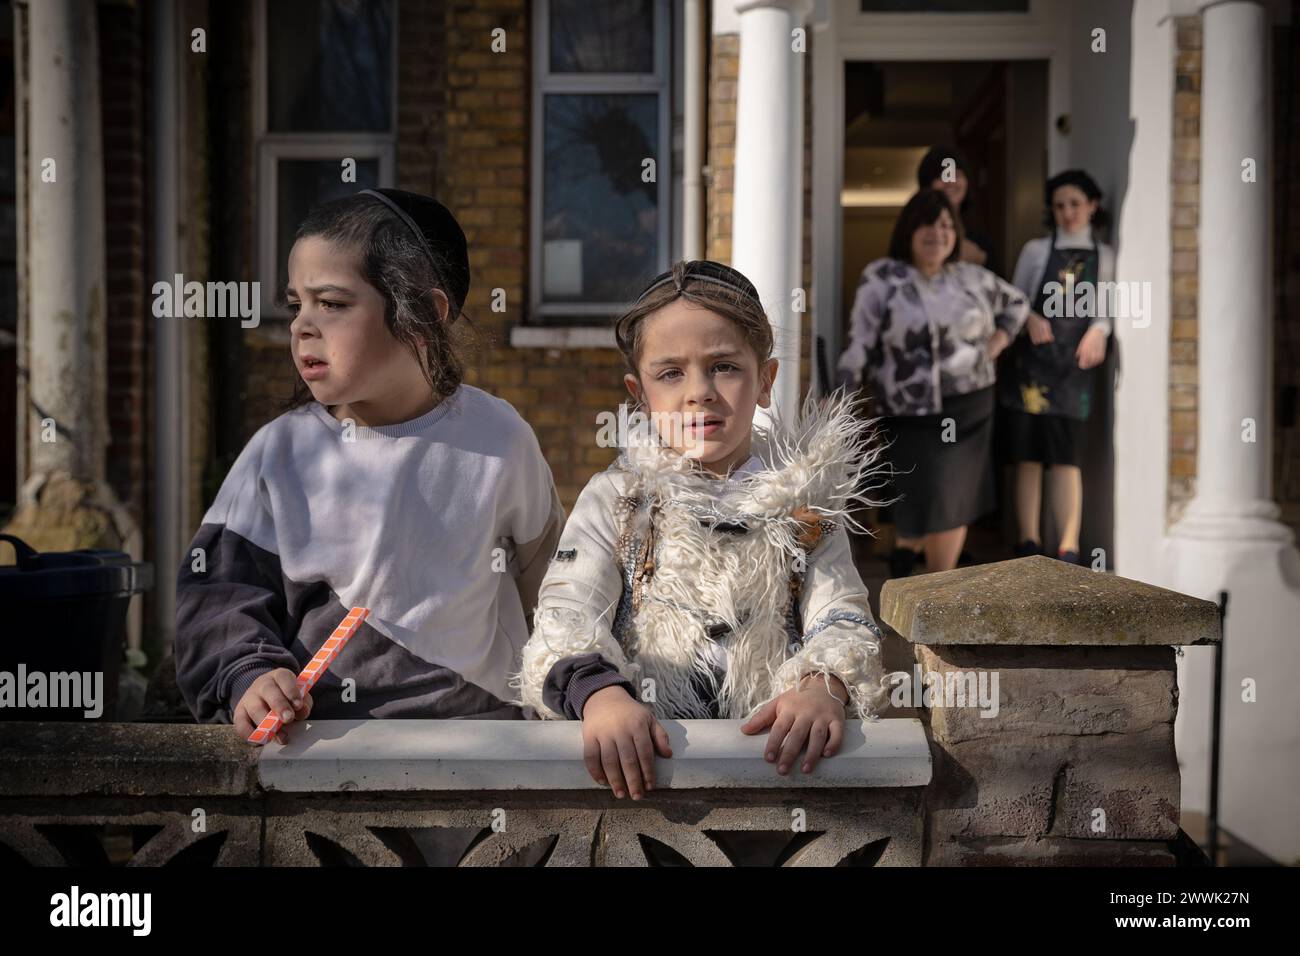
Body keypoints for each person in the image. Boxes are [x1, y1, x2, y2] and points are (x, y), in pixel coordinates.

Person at [175, 188, 565, 742]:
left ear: (425, 315)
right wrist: (249, 674)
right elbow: (216, 599)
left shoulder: (500, 440)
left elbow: (557, 597)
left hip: (484, 757)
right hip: (319, 760)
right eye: (295, 305)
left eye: (332, 303)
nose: (302, 327)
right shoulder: (280, 453)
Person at [514, 260, 894, 799]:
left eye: (724, 367)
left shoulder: (806, 503)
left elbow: (842, 616)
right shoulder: (616, 501)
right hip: (645, 771)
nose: (700, 392)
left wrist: (822, 686)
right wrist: (601, 697)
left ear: (765, 380)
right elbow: (565, 615)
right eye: (671, 373)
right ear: (639, 394)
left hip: (776, 769)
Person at [838, 188, 1029, 578]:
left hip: (969, 403)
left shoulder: (970, 278)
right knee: (914, 496)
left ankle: (939, 585)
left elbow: (1017, 304)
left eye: (946, 226)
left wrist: (999, 341)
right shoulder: (882, 277)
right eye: (927, 223)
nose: (937, 233)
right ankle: (907, 569)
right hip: (906, 407)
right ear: (909, 229)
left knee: (954, 497)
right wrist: (842, 391)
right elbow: (860, 339)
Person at [1001, 169, 1114, 564]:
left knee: (1067, 455)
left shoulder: (1106, 254)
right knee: (1029, 454)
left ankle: (1069, 546)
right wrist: (1029, 317)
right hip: (1033, 363)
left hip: (1074, 367)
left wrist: (1100, 330)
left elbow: (1106, 306)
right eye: (1060, 205)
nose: (1068, 212)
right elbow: (1014, 299)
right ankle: (1028, 541)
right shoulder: (1035, 250)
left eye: (1076, 204)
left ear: (1092, 206)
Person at [917, 145, 1001, 277]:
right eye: (943, 175)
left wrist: (980, 259)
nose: (950, 181)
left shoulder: (980, 238)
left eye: (957, 174)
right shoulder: (915, 229)